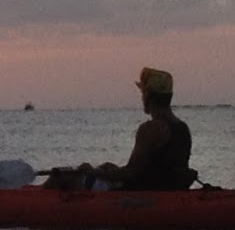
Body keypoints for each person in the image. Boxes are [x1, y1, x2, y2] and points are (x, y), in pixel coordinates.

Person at [46, 66, 196, 191]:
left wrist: (93, 172)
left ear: (148, 96)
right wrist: (105, 170)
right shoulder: (182, 127)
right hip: (166, 188)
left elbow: (129, 174)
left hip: (138, 192)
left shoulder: (150, 129)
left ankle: (32, 204)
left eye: (142, 93)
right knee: (107, 166)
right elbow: (156, 169)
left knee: (60, 178)